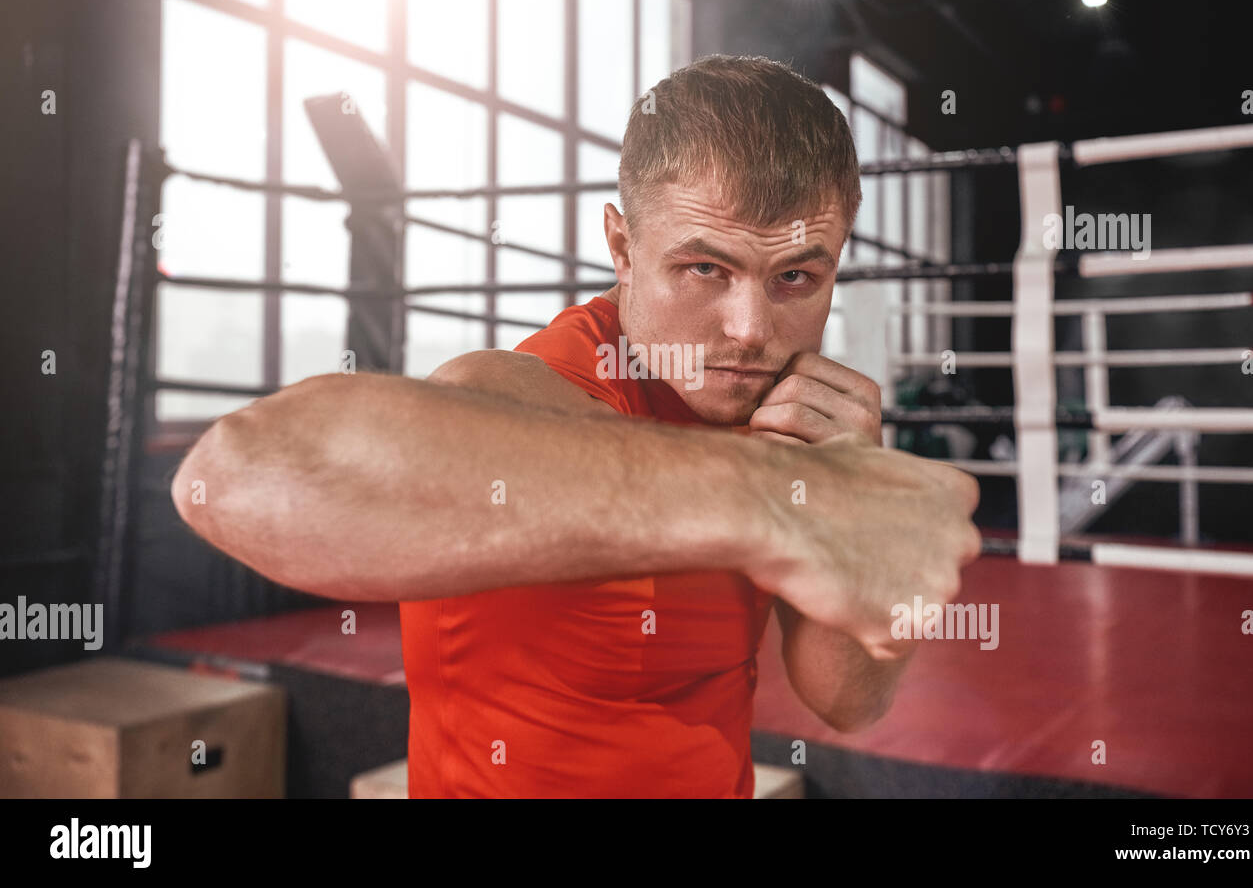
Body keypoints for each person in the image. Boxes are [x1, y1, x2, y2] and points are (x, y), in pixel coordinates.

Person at [172, 54, 981, 798]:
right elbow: (234, 474)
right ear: (623, 247)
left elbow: (847, 703)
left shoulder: (794, 418)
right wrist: (769, 497)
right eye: (706, 268)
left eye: (796, 277)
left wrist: (858, 521)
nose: (749, 330)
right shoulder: (530, 392)